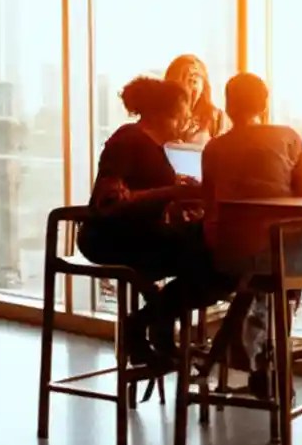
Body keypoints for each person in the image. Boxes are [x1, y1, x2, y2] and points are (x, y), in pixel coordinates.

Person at [78, 76, 206, 365]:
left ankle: (154, 319)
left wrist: (180, 191)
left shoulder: (157, 147)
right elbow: (111, 202)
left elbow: (148, 190)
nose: (188, 117)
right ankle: (151, 322)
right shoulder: (128, 140)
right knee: (210, 259)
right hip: (111, 238)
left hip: (139, 235)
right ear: (169, 112)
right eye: (185, 111)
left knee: (208, 253)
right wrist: (173, 191)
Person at [201, 73, 302, 279]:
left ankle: (261, 305)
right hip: (277, 254)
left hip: (228, 256)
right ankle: (280, 307)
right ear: (264, 106)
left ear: (228, 106)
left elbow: (209, 207)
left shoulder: (213, 147)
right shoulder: (288, 137)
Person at [165, 54, 229, 144]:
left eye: (194, 81)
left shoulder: (217, 118)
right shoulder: (161, 119)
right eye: (183, 79)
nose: (189, 87)